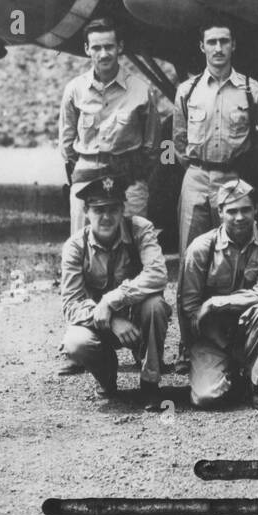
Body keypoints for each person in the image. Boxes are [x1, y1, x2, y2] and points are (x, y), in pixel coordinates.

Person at [171, 20, 258, 373]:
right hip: (196, 176)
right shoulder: (188, 90)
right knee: (191, 263)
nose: (218, 48)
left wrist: (236, 170)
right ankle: (187, 346)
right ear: (202, 47)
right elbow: (178, 141)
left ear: (233, 45)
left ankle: (238, 343)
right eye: (211, 41)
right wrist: (199, 168)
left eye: (224, 41)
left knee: (238, 260)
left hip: (234, 177)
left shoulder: (250, 89)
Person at [60, 171, 170, 405]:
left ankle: (150, 381)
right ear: (86, 213)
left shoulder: (140, 230)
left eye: (113, 209)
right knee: (75, 341)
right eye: (99, 210)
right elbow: (71, 305)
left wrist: (113, 299)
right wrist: (110, 319)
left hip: (136, 319)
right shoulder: (75, 247)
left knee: (156, 305)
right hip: (98, 323)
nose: (106, 217)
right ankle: (106, 377)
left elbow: (158, 274)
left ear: (123, 210)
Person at [178, 179, 258, 409]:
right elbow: (189, 308)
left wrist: (218, 302)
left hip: (251, 327)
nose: (239, 217)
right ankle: (232, 369)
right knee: (207, 397)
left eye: (246, 209)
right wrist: (222, 345)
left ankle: (257, 384)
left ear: (256, 209)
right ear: (220, 212)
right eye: (232, 211)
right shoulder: (201, 248)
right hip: (213, 334)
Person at [59, 18, 162, 235]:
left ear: (120, 47)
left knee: (133, 248)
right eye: (96, 47)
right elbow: (67, 144)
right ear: (87, 49)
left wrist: (134, 175)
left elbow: (152, 146)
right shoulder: (74, 90)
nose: (104, 54)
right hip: (86, 177)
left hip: (129, 180)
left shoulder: (142, 90)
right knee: (83, 249)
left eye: (109, 47)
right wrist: (86, 166)